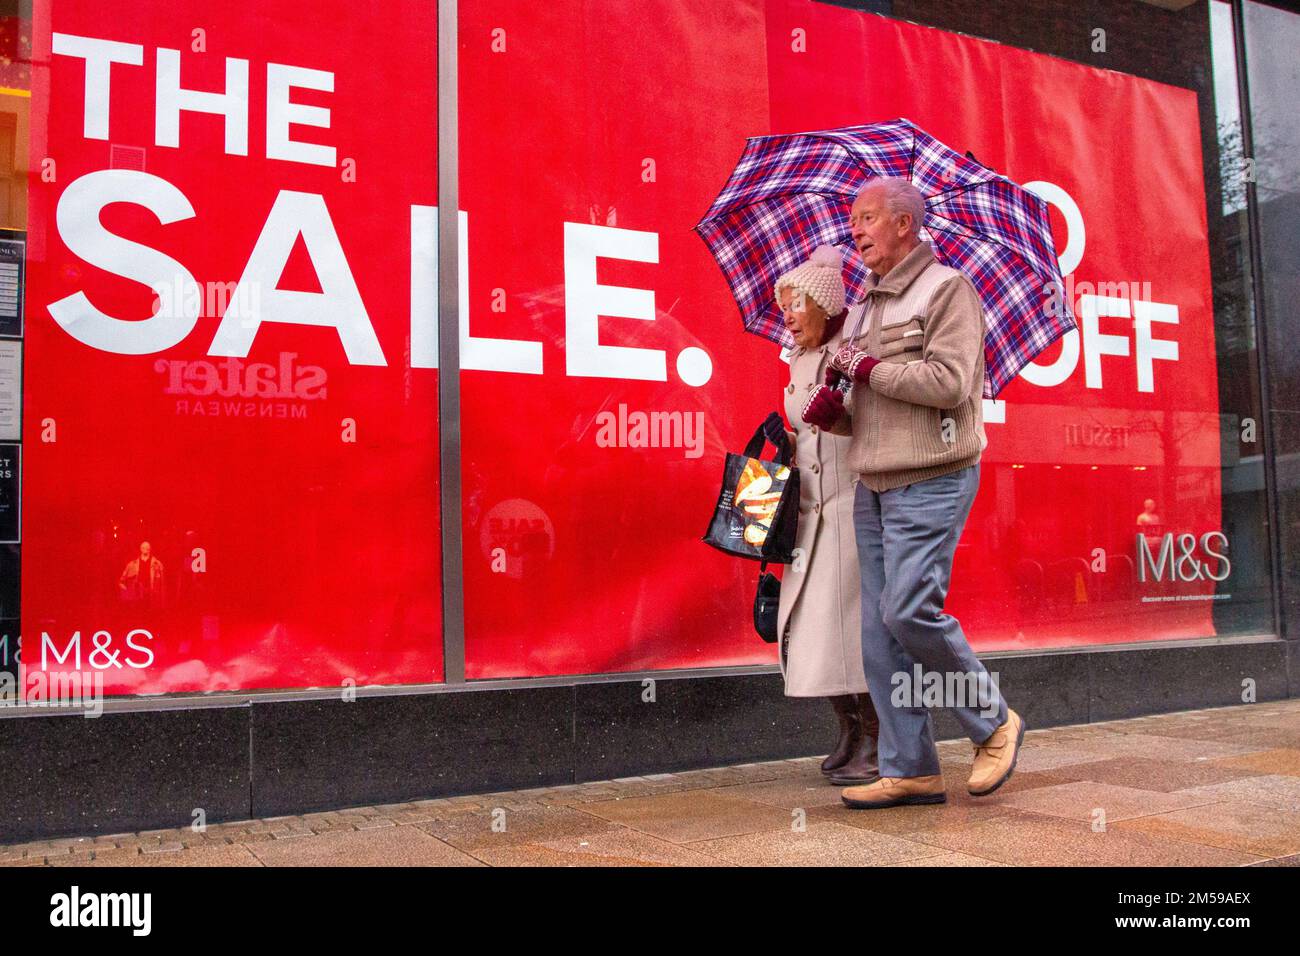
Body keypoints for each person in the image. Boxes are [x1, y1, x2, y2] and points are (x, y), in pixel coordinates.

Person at [802, 178, 1025, 809]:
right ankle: (911, 767)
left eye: (868, 218)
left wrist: (868, 370)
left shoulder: (947, 289)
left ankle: (993, 721)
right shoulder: (866, 309)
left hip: (933, 476)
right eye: (854, 220)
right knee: (880, 633)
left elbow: (951, 384)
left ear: (905, 223)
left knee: (907, 610)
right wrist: (837, 414)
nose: (858, 230)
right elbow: (874, 401)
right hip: (874, 481)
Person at [773, 245, 879, 785]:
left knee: (850, 635)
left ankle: (876, 738)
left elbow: (873, 427)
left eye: (797, 303)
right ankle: (848, 730)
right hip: (808, 521)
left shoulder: (851, 354)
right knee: (811, 634)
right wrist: (782, 441)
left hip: (847, 512)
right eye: (784, 303)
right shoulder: (797, 359)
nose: (787, 314)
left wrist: (841, 417)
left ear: (824, 303)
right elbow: (803, 434)